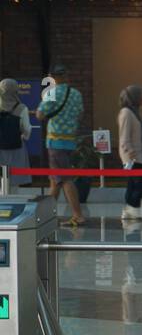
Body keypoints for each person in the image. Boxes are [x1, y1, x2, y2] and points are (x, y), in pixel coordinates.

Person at [34, 64, 85, 226]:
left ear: (52, 77)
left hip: (55, 141)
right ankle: (47, 214)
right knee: (55, 180)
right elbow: (80, 114)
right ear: (66, 75)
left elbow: (40, 115)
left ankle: (78, 215)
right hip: (70, 140)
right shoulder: (76, 94)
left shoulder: (51, 93)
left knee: (64, 178)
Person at [116, 85, 142, 219]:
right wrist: (130, 152)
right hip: (131, 156)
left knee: (134, 182)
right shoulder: (126, 112)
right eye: (140, 95)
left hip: (137, 154)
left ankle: (129, 209)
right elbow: (124, 136)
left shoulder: (134, 112)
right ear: (134, 97)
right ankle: (132, 206)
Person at [0, 78, 33, 187]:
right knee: (15, 182)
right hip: (16, 147)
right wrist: (24, 137)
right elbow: (27, 129)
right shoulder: (21, 108)